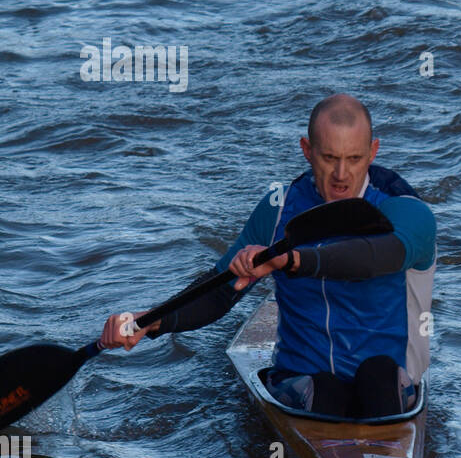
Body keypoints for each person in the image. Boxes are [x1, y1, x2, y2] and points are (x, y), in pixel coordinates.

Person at [97, 93, 436, 419]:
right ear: (307, 150)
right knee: (325, 390)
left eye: (355, 159)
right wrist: (151, 320)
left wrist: (289, 261)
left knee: (378, 376)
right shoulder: (277, 211)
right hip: (303, 384)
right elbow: (219, 291)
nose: (342, 175)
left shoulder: (405, 212)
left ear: (373, 152)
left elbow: (376, 257)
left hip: (384, 391)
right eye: (330, 158)